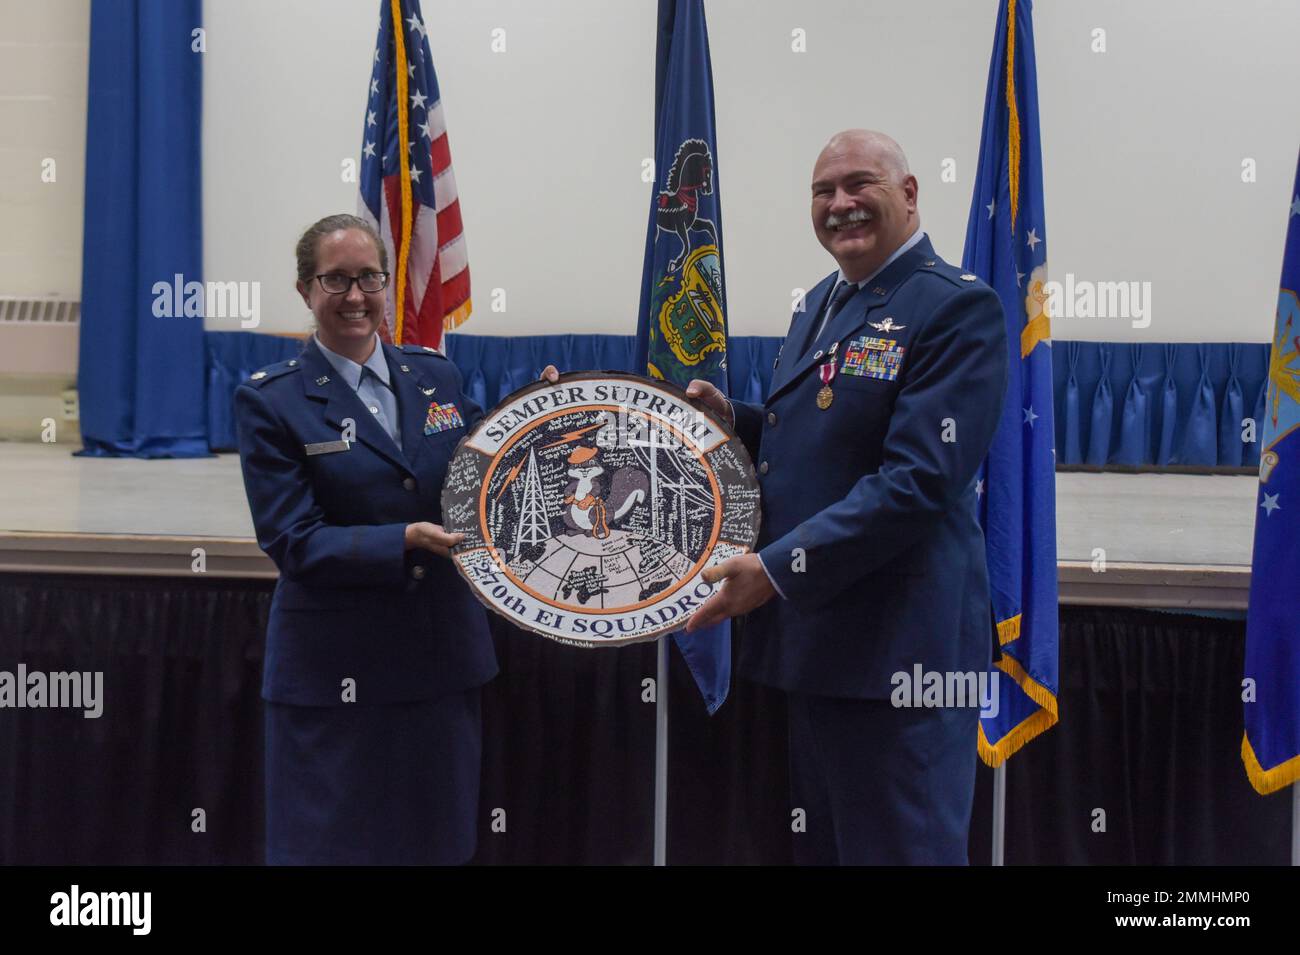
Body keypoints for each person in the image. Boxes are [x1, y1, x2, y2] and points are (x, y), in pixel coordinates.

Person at [682, 130, 1009, 864]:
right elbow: (819, 444)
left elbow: (918, 479)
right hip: (825, 650)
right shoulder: (822, 303)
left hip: (909, 662)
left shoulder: (956, 308)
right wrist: (740, 422)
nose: (841, 205)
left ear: (911, 193)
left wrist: (772, 571)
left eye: (860, 184)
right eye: (823, 192)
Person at [234, 213, 497, 865]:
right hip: (337, 674)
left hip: (442, 666)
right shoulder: (272, 401)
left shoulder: (438, 378)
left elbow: (474, 480)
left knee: (440, 847)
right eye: (336, 279)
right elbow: (295, 542)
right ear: (304, 289)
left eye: (369, 278)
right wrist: (402, 539)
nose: (355, 296)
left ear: (388, 283)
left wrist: (533, 426)